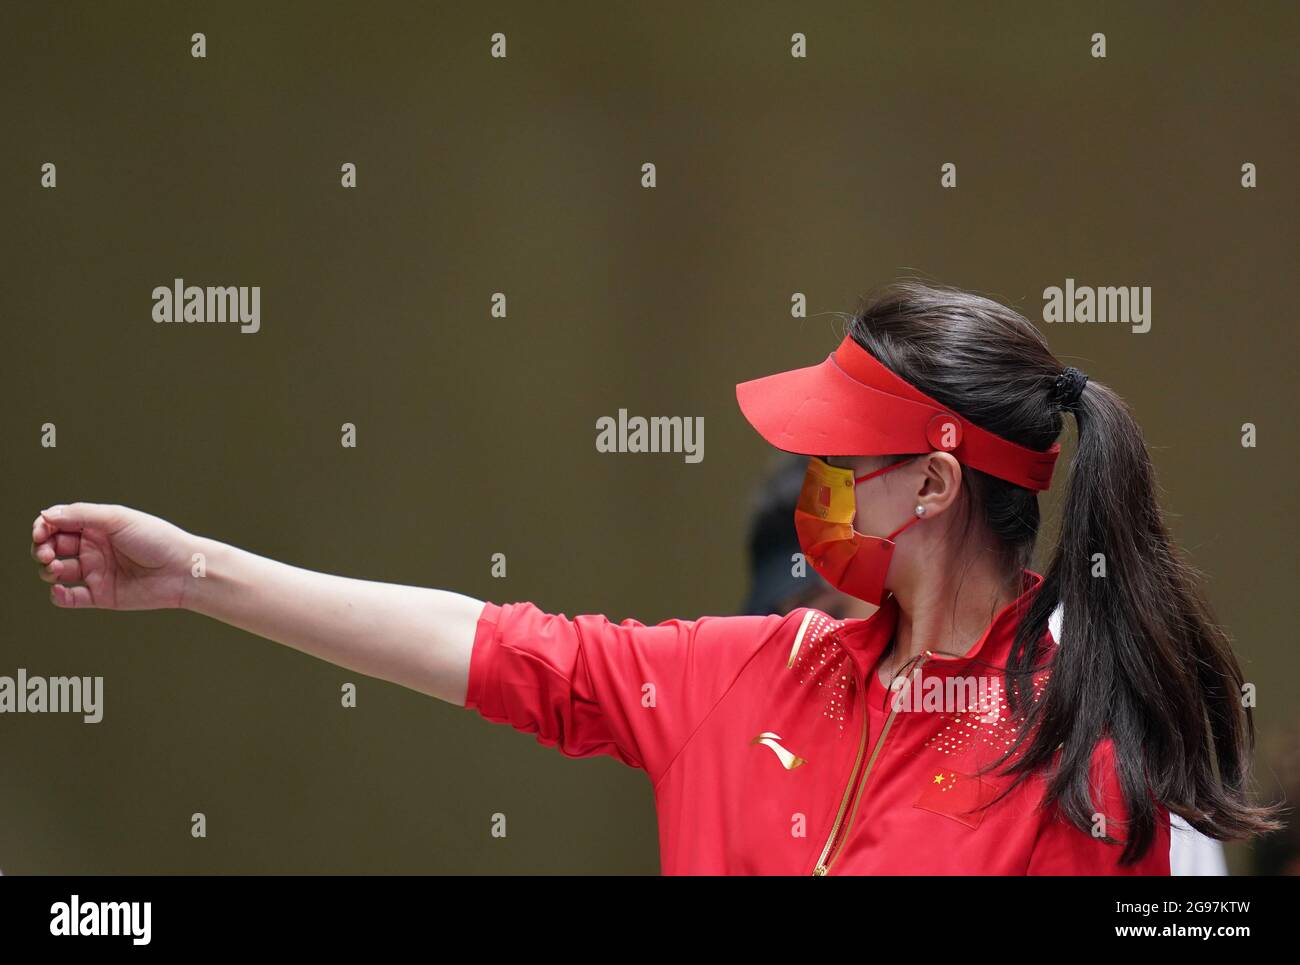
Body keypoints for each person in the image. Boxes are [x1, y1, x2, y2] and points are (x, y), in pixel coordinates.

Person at [29, 281, 1280, 874]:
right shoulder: (753, 671)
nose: (807, 481)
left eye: (834, 458)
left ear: (935, 489)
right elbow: (494, 644)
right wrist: (194, 571)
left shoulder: (1092, 745)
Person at [741, 451, 1229, 875]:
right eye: (784, 624)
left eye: (826, 610)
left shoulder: (1090, 733)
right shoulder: (802, 733)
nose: (811, 644)